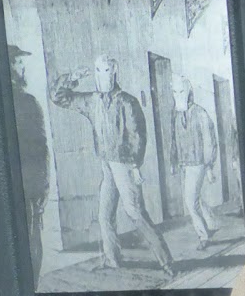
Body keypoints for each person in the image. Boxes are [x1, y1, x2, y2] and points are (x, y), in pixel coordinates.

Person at [51, 54, 175, 277]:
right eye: (98, 71)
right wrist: (71, 78)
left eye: (107, 70)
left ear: (115, 72)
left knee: (135, 212)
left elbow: (138, 135)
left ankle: (166, 261)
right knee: (105, 215)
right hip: (106, 165)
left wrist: (135, 166)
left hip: (124, 164)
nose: (102, 76)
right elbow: (58, 97)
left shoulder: (127, 101)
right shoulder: (91, 101)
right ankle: (112, 260)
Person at [9, 44, 49, 282]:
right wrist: (43, 188)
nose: (23, 67)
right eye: (18, 62)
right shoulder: (26, 102)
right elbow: (39, 148)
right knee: (32, 245)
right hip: (27, 188)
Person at [169, 73, 220, 249]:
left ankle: (203, 236)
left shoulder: (200, 113)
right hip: (184, 163)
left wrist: (209, 166)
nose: (178, 95)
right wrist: (173, 162)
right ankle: (211, 223)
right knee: (194, 197)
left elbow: (209, 141)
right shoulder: (175, 115)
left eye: (181, 91)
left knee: (190, 202)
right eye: (175, 92)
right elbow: (173, 140)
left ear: (188, 91)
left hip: (198, 163)